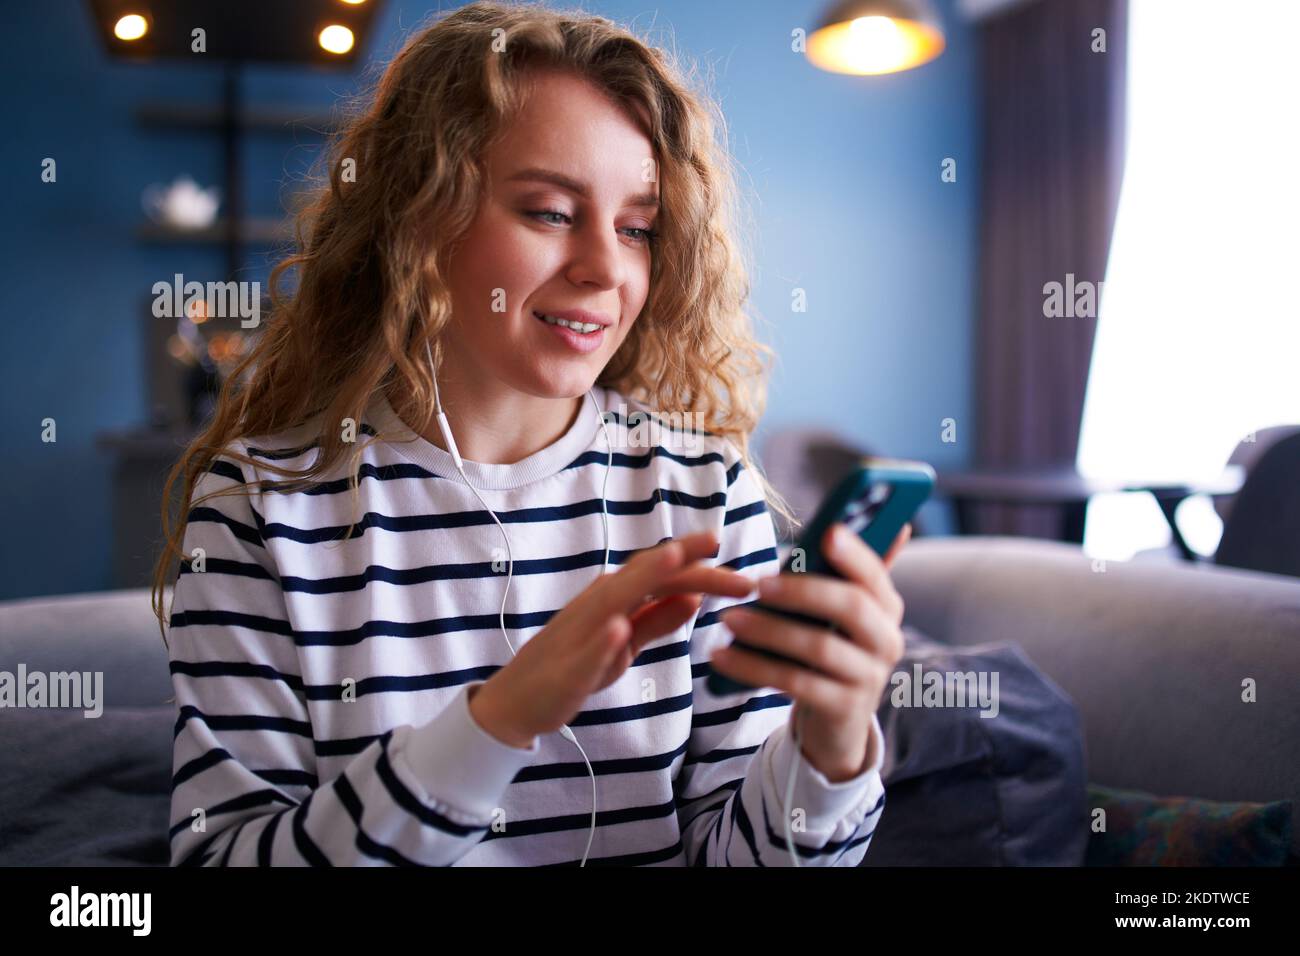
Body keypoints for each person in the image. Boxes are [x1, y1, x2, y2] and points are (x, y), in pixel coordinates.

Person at [152, 0, 910, 867]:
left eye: (637, 228)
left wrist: (831, 748)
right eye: (550, 212)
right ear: (421, 219)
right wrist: (498, 720)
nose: (604, 267)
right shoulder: (261, 513)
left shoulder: (703, 493)